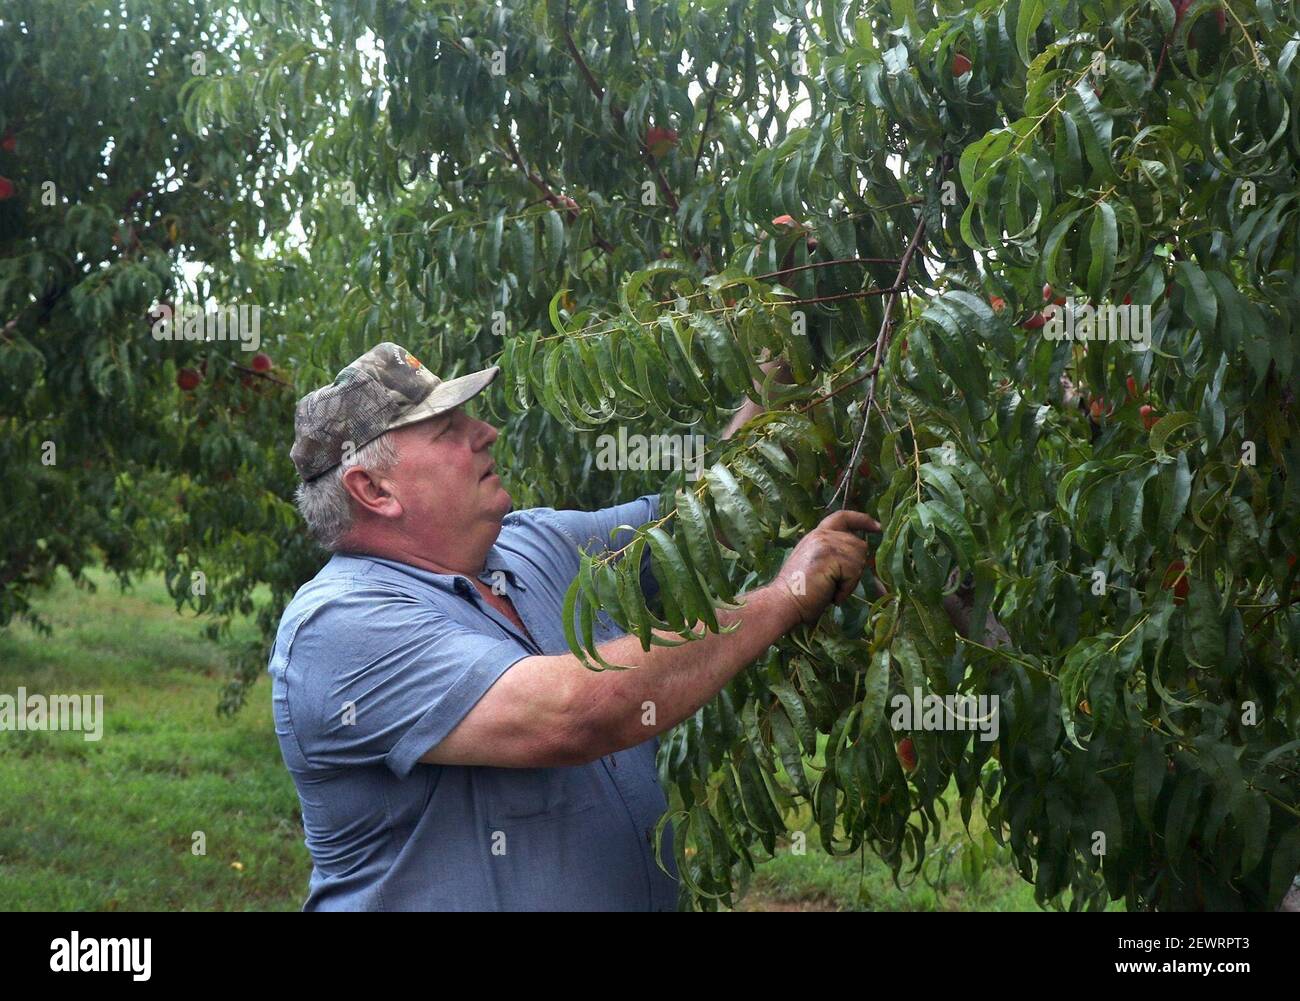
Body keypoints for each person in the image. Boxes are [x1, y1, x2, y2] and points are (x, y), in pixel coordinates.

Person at [270, 341, 878, 910]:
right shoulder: (337, 628)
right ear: (373, 488)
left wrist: (779, 356)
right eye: (449, 430)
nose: (487, 433)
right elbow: (573, 715)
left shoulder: (533, 545)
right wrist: (780, 600)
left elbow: (708, 519)